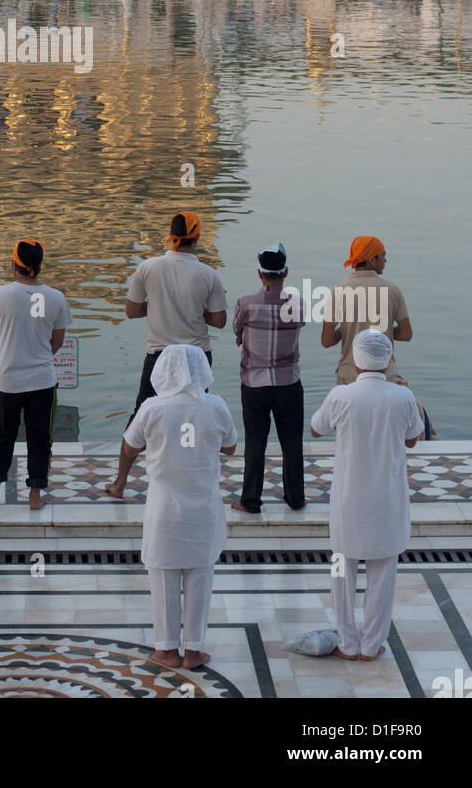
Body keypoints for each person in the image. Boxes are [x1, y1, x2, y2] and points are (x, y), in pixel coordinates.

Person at [310, 330, 423, 660]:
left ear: (356, 360)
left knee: (339, 573)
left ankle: (347, 643)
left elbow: (317, 428)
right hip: (387, 501)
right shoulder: (402, 397)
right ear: (387, 359)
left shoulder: (340, 396)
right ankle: (372, 645)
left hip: (347, 502)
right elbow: (414, 439)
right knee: (383, 577)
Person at [122, 345, 237, 669]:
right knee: (201, 577)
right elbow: (230, 446)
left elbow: (130, 445)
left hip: (164, 511)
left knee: (163, 579)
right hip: (203, 508)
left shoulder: (152, 408)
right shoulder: (216, 406)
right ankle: (195, 649)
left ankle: (167, 650)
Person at [106, 211, 227, 498]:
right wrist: (195, 310)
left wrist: (159, 305)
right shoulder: (209, 274)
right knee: (195, 415)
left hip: (159, 356)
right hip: (197, 358)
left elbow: (132, 311)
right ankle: (191, 481)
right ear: (197, 236)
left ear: (170, 235)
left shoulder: (148, 267)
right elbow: (220, 321)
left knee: (140, 416)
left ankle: (120, 482)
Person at [0, 239, 70, 512]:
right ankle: (34, 496)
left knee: (0, 437)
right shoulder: (56, 297)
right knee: (40, 438)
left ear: (14, 264)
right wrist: (36, 355)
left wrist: (9, 352)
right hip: (42, 380)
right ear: (39, 265)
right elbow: (57, 342)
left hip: (5, 380)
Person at [231, 243, 305, 514]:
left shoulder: (245, 303)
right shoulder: (297, 304)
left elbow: (237, 329)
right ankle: (295, 498)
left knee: (255, 443)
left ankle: (250, 501)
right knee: (292, 443)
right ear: (286, 272)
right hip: (288, 383)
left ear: (259, 274)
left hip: (254, 384)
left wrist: (243, 335)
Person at [322, 235, 412, 385]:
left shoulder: (337, 291)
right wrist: (381, 332)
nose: (385, 260)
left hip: (349, 376)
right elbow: (406, 334)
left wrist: (347, 330)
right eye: (383, 255)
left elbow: (327, 340)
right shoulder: (392, 290)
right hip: (384, 375)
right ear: (372, 259)